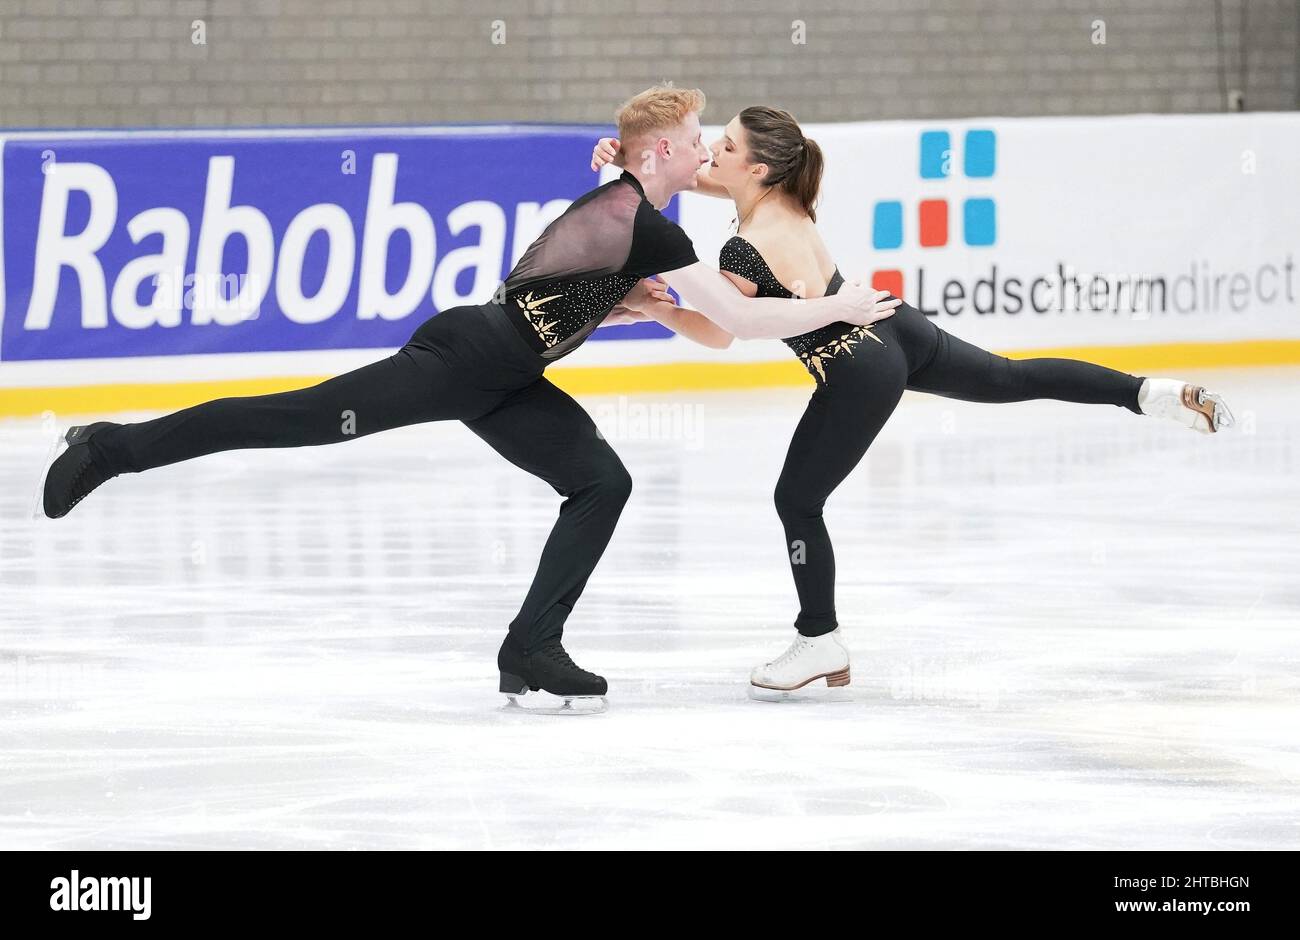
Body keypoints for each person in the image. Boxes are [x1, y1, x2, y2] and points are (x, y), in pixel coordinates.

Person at [39, 86, 900, 710]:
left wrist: (626, 296)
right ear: (658, 153)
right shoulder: (640, 216)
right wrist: (841, 305)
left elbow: (634, 282)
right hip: (467, 358)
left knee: (602, 482)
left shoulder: (636, 210)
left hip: (508, 377)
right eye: (693, 138)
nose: (704, 148)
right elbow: (737, 324)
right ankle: (112, 446)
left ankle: (531, 647)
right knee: (295, 418)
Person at [593, 106, 1234, 694]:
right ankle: (1149, 394)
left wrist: (658, 310)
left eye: (723, 145)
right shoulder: (784, 194)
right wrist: (628, 163)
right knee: (1012, 378)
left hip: (856, 366)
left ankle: (819, 639)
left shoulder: (743, 245)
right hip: (896, 326)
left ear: (755, 167)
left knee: (797, 498)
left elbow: (722, 331)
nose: (708, 152)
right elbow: (690, 180)